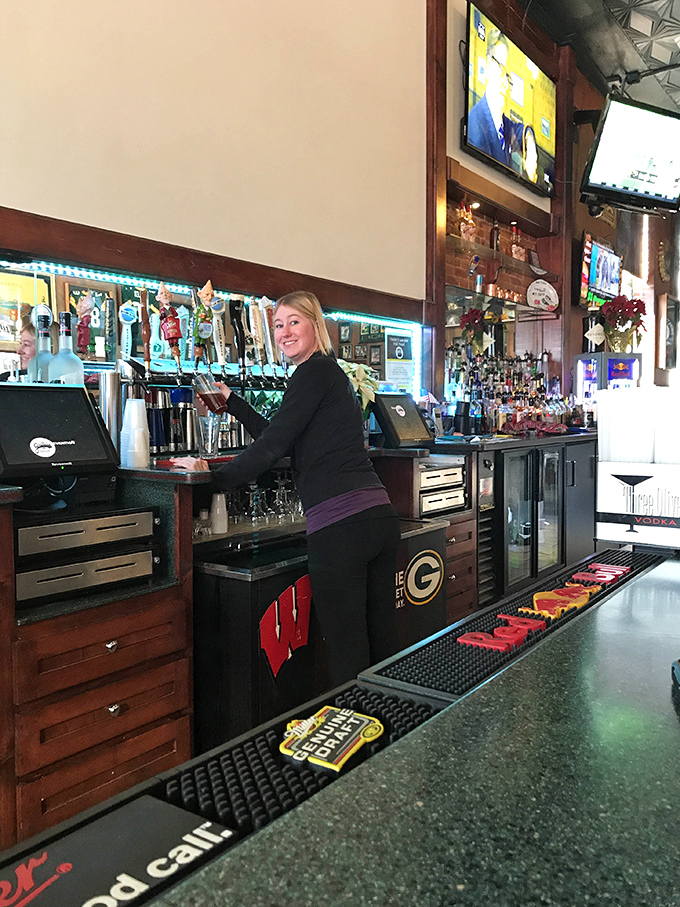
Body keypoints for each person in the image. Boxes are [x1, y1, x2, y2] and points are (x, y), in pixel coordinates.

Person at [171, 290, 401, 685]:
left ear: (316, 325)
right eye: (278, 324)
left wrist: (212, 476)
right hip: (377, 520)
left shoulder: (313, 372)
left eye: (294, 321)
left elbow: (273, 447)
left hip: (341, 527)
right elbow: (284, 440)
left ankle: (360, 738)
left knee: (348, 651)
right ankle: (392, 734)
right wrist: (235, 403)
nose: (284, 332)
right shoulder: (328, 375)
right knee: (381, 643)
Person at [467, 29, 512, 166]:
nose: (505, 84)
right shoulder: (475, 125)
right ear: (488, 66)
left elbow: (519, 128)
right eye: (501, 70)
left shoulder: (505, 124)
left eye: (508, 77)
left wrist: (528, 136)